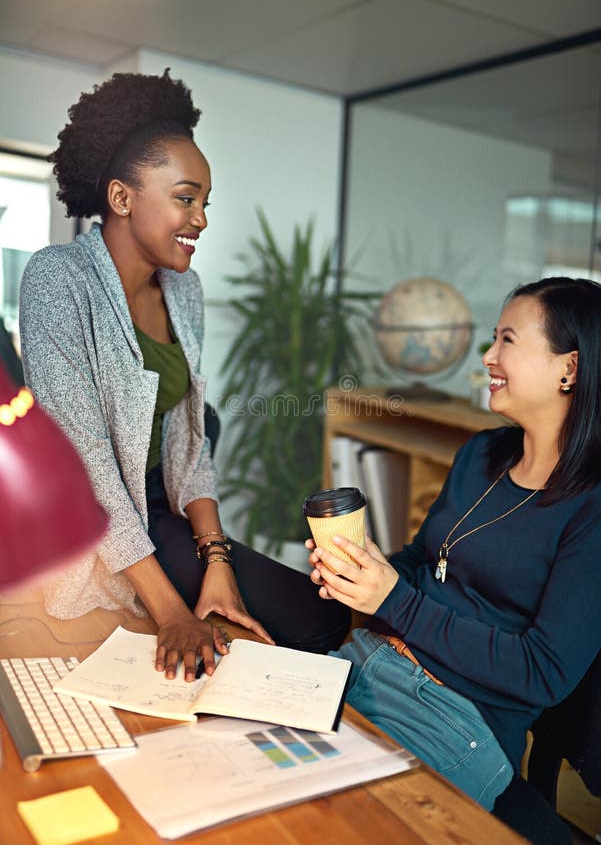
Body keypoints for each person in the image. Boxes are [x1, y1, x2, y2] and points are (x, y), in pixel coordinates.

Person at [19, 69, 349, 682]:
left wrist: (215, 557)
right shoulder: (57, 278)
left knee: (319, 619)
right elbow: (81, 463)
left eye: (205, 203)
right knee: (191, 646)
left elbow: (191, 438)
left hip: (153, 505)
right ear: (122, 199)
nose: (200, 220)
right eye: (185, 198)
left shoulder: (185, 290)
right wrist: (173, 611)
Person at [307, 276, 601, 810]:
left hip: (454, 720)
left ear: (570, 368)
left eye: (507, 340)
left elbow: (544, 672)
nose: (488, 355)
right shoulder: (482, 454)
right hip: (366, 662)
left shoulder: (591, 508)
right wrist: (361, 573)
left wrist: (393, 600)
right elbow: (424, 559)